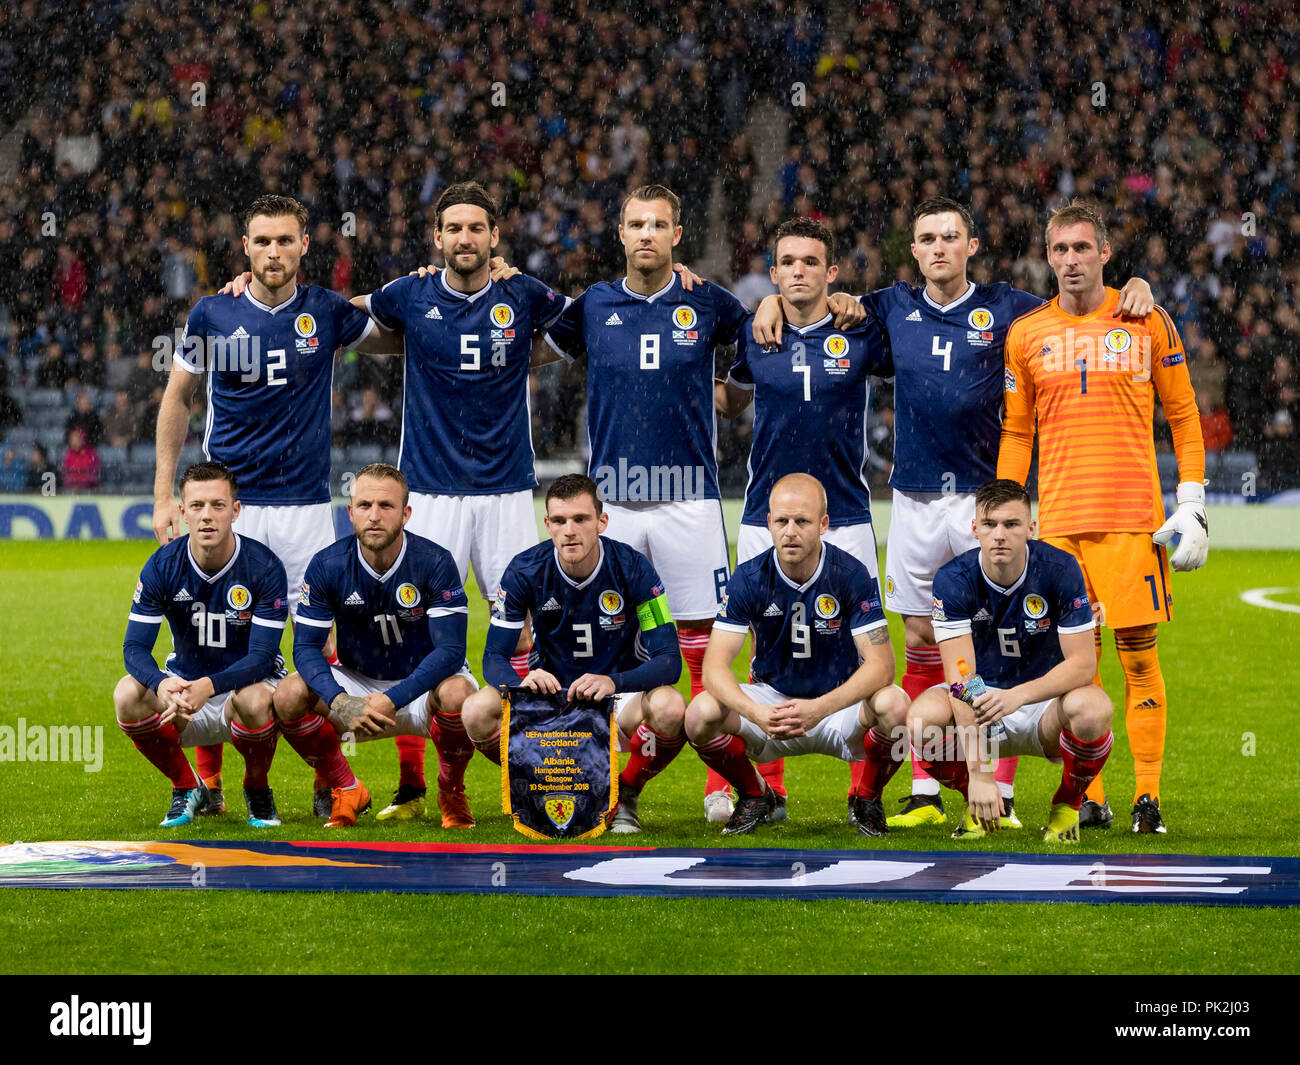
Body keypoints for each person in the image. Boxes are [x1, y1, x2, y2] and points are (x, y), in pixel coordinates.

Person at [753, 197, 1153, 830]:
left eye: (950, 237)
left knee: (996, 637)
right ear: (913, 252)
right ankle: (925, 789)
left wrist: (1134, 284)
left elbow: (1078, 310)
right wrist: (770, 302)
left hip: (980, 496)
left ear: (972, 246)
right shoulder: (888, 307)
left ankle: (1003, 790)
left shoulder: (1010, 307)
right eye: (926, 239)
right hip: (912, 497)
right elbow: (818, 305)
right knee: (918, 639)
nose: (938, 247)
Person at [541, 184, 859, 824]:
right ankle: (592, 781)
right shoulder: (592, 304)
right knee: (617, 642)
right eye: (636, 224)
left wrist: (770, 297)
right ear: (621, 234)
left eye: (659, 224)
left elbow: (776, 328)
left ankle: (725, 784)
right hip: (618, 502)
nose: (647, 235)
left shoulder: (708, 302)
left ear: (677, 234)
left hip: (690, 499)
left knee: (705, 642)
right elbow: (525, 342)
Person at [155, 194, 386, 814]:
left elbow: (402, 322)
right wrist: (162, 495)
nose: (274, 252)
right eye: (263, 241)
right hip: (232, 506)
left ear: (305, 245)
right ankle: (212, 787)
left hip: (306, 509)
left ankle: (327, 778)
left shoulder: (327, 312)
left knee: (320, 647)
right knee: (216, 640)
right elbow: (176, 398)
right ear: (246, 248)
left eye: (286, 240)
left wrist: (434, 282)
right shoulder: (213, 313)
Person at [351, 182, 567, 820]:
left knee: (524, 624)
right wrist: (253, 293)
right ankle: (423, 785)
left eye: (478, 228)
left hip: (504, 492)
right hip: (433, 490)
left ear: (495, 237)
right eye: (454, 228)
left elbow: (591, 319)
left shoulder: (524, 294)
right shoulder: (411, 293)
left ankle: (541, 765)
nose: (466, 238)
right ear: (437, 237)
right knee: (415, 629)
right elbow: (343, 314)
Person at [998, 199, 1206, 834]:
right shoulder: (1026, 334)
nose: (1069, 261)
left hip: (1132, 525)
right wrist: (1006, 515)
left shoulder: (1146, 319)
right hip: (1058, 530)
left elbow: (1185, 414)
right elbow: (1016, 431)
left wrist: (1193, 501)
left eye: (1082, 248)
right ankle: (1093, 795)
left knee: (1138, 657)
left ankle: (1148, 798)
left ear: (1105, 253)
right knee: (1072, 669)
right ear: (1047, 255)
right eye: (1059, 250)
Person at [460, 474, 686, 834]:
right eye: (560, 521)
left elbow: (669, 660)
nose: (569, 530)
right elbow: (493, 659)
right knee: (476, 709)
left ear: (602, 521)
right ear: (547, 524)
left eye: (580, 519)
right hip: (552, 703)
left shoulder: (633, 568)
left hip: (618, 703)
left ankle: (625, 792)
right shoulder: (525, 570)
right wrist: (523, 681)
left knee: (670, 707)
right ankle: (542, 783)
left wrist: (613, 681)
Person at [685, 473, 908, 835]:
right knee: (699, 715)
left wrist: (820, 708)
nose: (790, 531)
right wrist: (755, 711)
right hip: (771, 705)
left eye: (802, 521)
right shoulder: (748, 577)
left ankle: (867, 799)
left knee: (895, 705)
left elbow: (882, 666)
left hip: (837, 707)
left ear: (823, 524)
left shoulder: (851, 574)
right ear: (768, 523)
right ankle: (756, 795)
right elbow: (714, 668)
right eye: (781, 521)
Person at [904, 479, 1114, 843]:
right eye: (989, 524)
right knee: (921, 721)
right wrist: (981, 775)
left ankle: (1067, 804)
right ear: (975, 529)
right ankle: (978, 802)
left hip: (1042, 705)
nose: (999, 535)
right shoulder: (953, 580)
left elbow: (1082, 665)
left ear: (1032, 529)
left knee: (1094, 709)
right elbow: (962, 679)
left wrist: (1017, 695)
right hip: (978, 702)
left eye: (1011, 524)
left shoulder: (1060, 569)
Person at [272, 463, 477, 828]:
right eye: (364, 506)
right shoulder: (327, 565)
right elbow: (304, 648)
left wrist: (392, 698)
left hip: (422, 687)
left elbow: (450, 652)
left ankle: (451, 791)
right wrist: (340, 700)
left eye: (386, 506)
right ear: (350, 513)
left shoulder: (435, 561)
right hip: (358, 682)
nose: (374, 516)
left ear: (406, 513)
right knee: (286, 695)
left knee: (460, 694)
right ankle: (346, 787)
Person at [114, 462, 289, 828]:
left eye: (217, 505)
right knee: (127, 695)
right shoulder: (162, 565)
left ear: (236, 510)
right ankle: (186, 786)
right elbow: (133, 648)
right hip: (184, 691)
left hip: (245, 694)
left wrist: (208, 687)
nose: (207, 516)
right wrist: (162, 684)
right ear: (182, 511)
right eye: (196, 506)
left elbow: (262, 658)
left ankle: (257, 788)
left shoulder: (264, 566)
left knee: (255, 700)